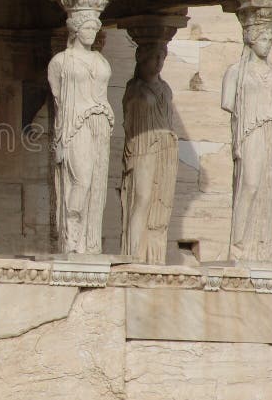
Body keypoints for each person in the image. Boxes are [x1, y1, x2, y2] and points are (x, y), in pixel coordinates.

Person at [47, 15, 113, 254]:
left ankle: (89, 243)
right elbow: (58, 97)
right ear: (75, 30)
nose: (91, 33)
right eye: (87, 27)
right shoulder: (60, 62)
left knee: (96, 184)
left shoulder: (101, 60)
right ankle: (71, 239)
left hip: (101, 123)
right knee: (81, 180)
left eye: (95, 28)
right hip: (74, 125)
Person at [221, 22, 272, 262]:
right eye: (264, 39)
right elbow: (228, 102)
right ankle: (237, 243)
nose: (268, 44)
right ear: (251, 39)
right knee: (250, 183)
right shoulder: (235, 72)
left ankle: (259, 245)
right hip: (250, 130)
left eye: (271, 40)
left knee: (269, 187)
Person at [121, 42, 177, 264]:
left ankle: (153, 255)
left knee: (160, 202)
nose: (159, 63)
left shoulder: (166, 89)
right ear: (141, 59)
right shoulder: (133, 89)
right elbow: (128, 122)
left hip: (166, 146)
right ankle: (133, 253)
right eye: (154, 57)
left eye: (162, 57)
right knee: (142, 198)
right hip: (143, 145)